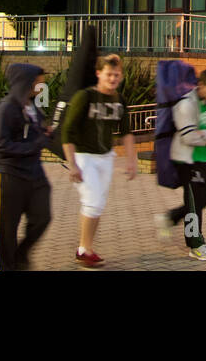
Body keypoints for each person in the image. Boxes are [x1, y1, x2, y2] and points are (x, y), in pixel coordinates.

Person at [61, 54, 138, 268]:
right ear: (98, 74)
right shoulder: (85, 97)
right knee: (92, 202)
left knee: (98, 204)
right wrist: (72, 164)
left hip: (106, 157)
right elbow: (67, 131)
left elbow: (127, 132)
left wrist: (132, 160)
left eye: (116, 75)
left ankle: (86, 247)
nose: (113, 79)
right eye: (108, 74)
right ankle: (84, 250)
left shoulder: (119, 100)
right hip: (85, 156)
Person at [0, 63, 57, 271]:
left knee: (42, 217)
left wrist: (45, 135)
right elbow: (0, 145)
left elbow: (33, 136)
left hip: (34, 174)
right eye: (39, 82)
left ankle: (21, 255)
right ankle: (5, 266)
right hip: (9, 175)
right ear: (26, 82)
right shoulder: (6, 108)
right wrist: (33, 145)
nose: (42, 85)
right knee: (6, 230)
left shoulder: (33, 107)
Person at [157, 68, 206, 261]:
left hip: (204, 157)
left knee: (203, 201)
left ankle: (170, 218)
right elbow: (188, 137)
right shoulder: (185, 105)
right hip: (186, 159)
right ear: (200, 85)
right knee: (194, 202)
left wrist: (202, 134)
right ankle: (195, 244)